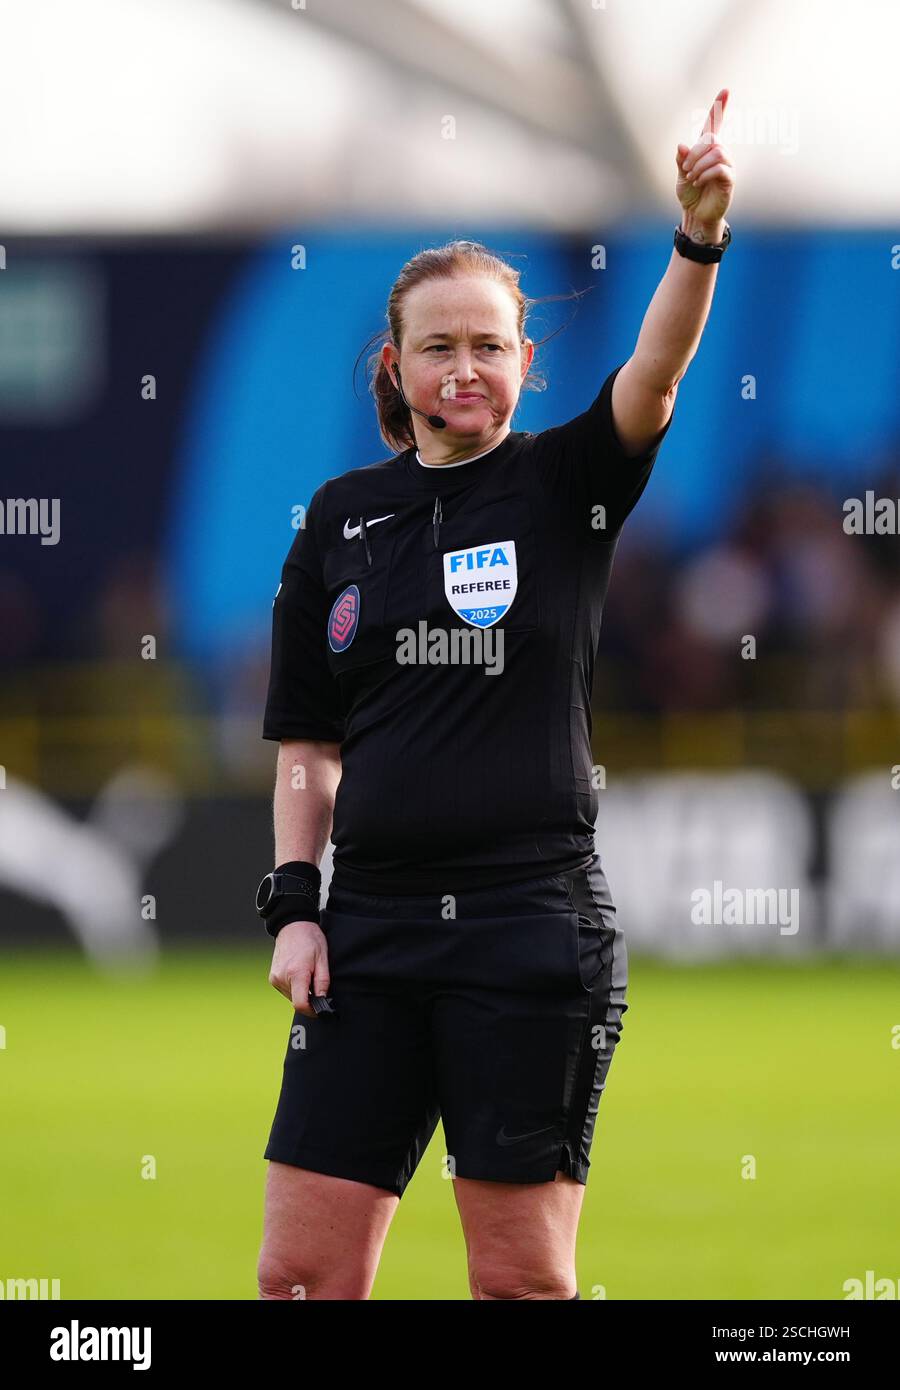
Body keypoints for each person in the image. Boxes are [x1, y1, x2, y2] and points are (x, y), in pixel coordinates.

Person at [255, 91, 735, 1300]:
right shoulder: (338, 517)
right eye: (438, 344)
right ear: (396, 365)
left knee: (519, 1285)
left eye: (487, 344)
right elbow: (309, 739)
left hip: (530, 930)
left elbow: (660, 367)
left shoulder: (568, 478)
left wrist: (697, 239)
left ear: (526, 359)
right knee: (300, 1280)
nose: (463, 367)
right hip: (366, 935)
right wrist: (298, 907)